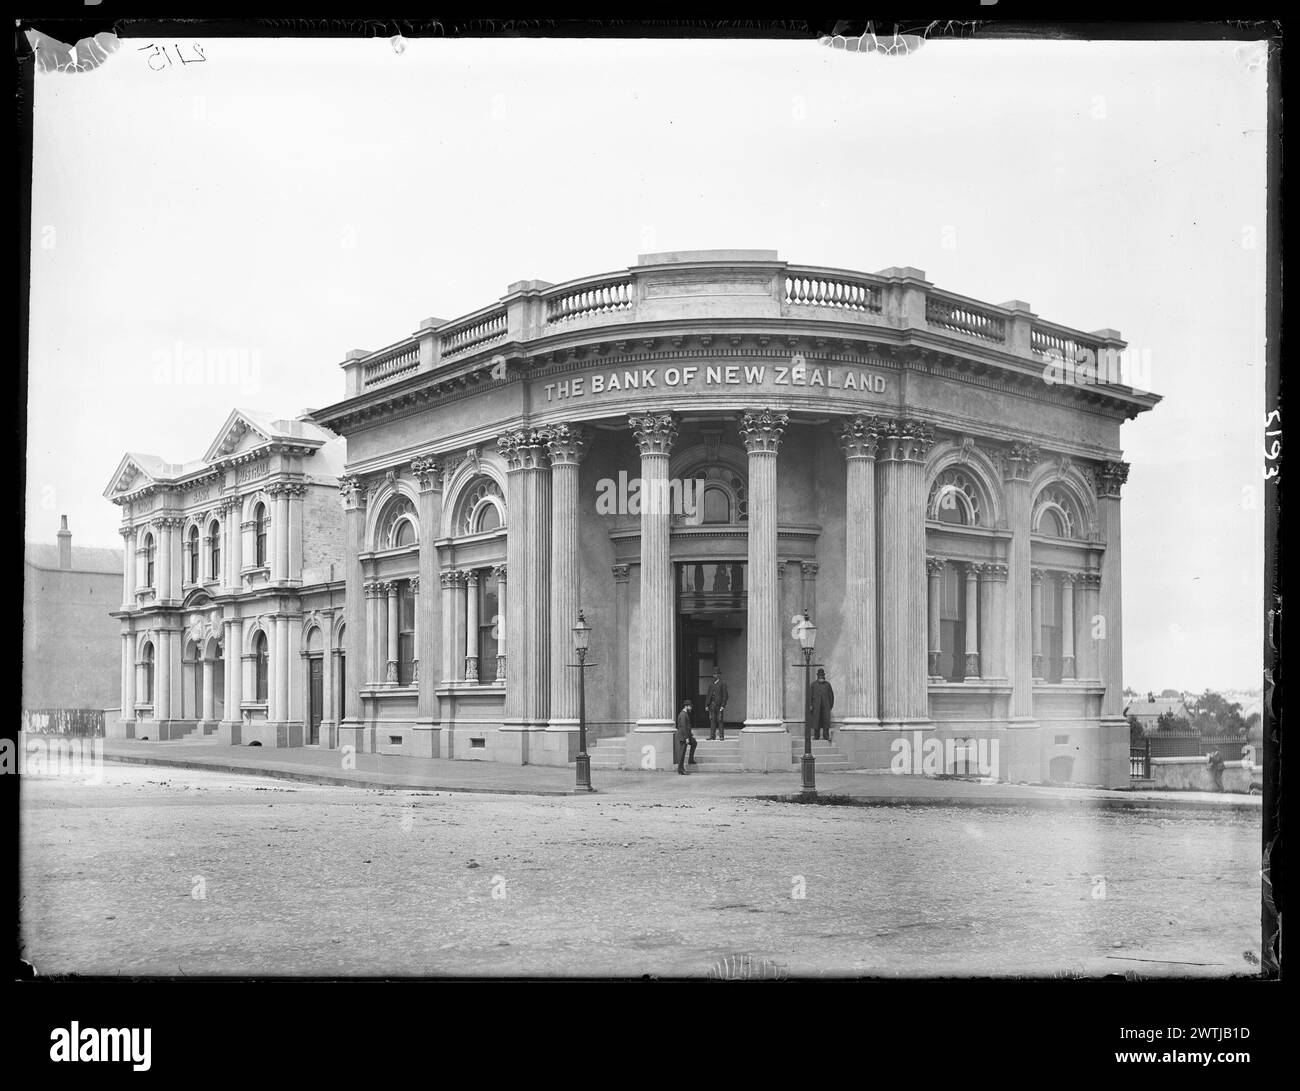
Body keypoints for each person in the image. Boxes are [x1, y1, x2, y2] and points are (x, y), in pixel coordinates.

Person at [809, 668, 835, 742]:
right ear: (817, 676)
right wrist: (810, 705)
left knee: (825, 722)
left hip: (825, 707)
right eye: (819, 676)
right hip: (816, 707)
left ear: (824, 676)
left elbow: (831, 696)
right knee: (816, 721)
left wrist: (830, 705)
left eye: (822, 675)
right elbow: (810, 696)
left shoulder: (827, 685)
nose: (821, 677)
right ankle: (816, 736)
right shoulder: (813, 685)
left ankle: (826, 736)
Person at [706, 668, 729, 741]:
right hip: (712, 705)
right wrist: (706, 705)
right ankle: (712, 736)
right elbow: (708, 695)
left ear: (719, 675)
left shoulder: (723, 683)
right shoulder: (711, 684)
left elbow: (725, 695)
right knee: (712, 720)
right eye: (714, 674)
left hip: (719, 705)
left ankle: (721, 736)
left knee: (720, 720)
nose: (715, 675)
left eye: (717, 674)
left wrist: (723, 706)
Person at [676, 699, 697, 774]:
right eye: (690, 706)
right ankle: (680, 769)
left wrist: (690, 735)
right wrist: (687, 738)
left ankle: (690, 760)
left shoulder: (685, 714)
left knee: (694, 743)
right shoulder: (682, 715)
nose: (691, 708)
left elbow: (687, 726)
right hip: (683, 736)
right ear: (686, 706)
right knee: (682, 753)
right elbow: (683, 727)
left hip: (687, 735)